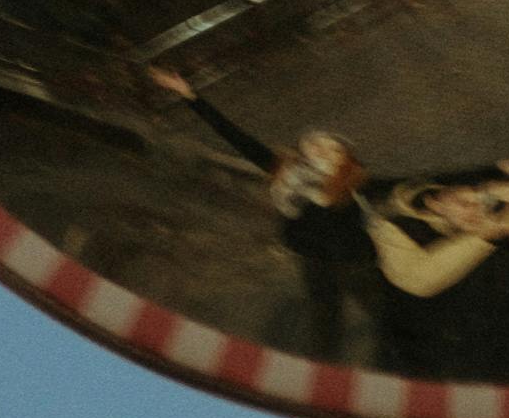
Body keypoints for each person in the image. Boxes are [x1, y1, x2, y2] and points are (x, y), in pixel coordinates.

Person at [147, 66, 376, 360]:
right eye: (316, 143)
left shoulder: (355, 183)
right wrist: (190, 96)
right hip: (314, 260)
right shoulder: (286, 172)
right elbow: (237, 138)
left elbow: (408, 184)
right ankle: (323, 382)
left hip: (357, 262)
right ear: (304, 149)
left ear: (345, 159)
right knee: (326, 327)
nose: (321, 149)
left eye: (332, 149)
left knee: (384, 313)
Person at [361, 165, 509, 384]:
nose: (475, 211)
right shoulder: (395, 230)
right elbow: (419, 280)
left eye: (482, 202)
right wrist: (483, 237)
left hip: (502, 355)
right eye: (462, 203)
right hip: (428, 358)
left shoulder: (501, 223)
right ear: (435, 203)